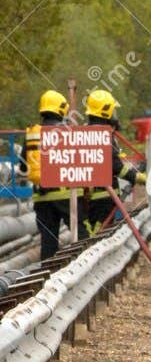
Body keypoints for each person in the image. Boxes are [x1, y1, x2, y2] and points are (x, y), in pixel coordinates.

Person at [20, 90, 72, 261]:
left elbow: (22, 167)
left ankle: (48, 279)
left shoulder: (32, 134)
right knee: (82, 234)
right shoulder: (67, 132)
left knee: (48, 243)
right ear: (61, 109)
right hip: (65, 196)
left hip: (41, 198)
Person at [79, 88, 137, 233]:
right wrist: (136, 176)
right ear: (105, 111)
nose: (114, 115)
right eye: (112, 111)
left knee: (92, 233)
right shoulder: (103, 134)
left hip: (88, 197)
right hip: (104, 197)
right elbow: (116, 166)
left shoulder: (83, 132)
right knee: (102, 236)